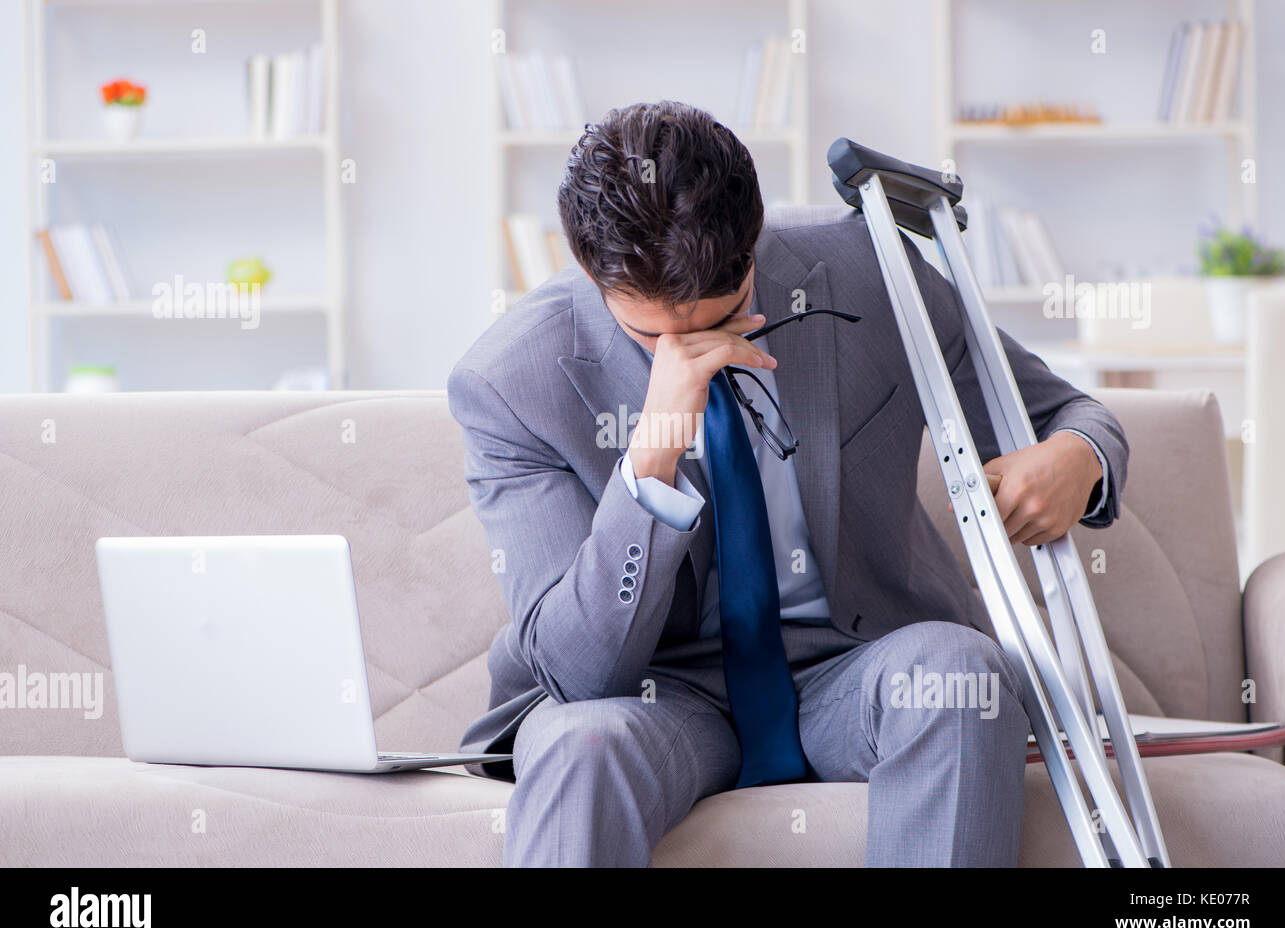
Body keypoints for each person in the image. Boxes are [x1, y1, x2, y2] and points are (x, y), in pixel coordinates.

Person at [449, 100, 1128, 867]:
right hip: (655, 690)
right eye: (657, 335)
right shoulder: (509, 381)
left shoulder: (869, 275)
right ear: (585, 266)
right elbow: (581, 671)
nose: (702, 347)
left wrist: (1078, 455)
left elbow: (1064, 409)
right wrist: (656, 446)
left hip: (850, 661)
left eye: (729, 314)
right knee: (583, 744)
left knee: (959, 674)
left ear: (754, 236)